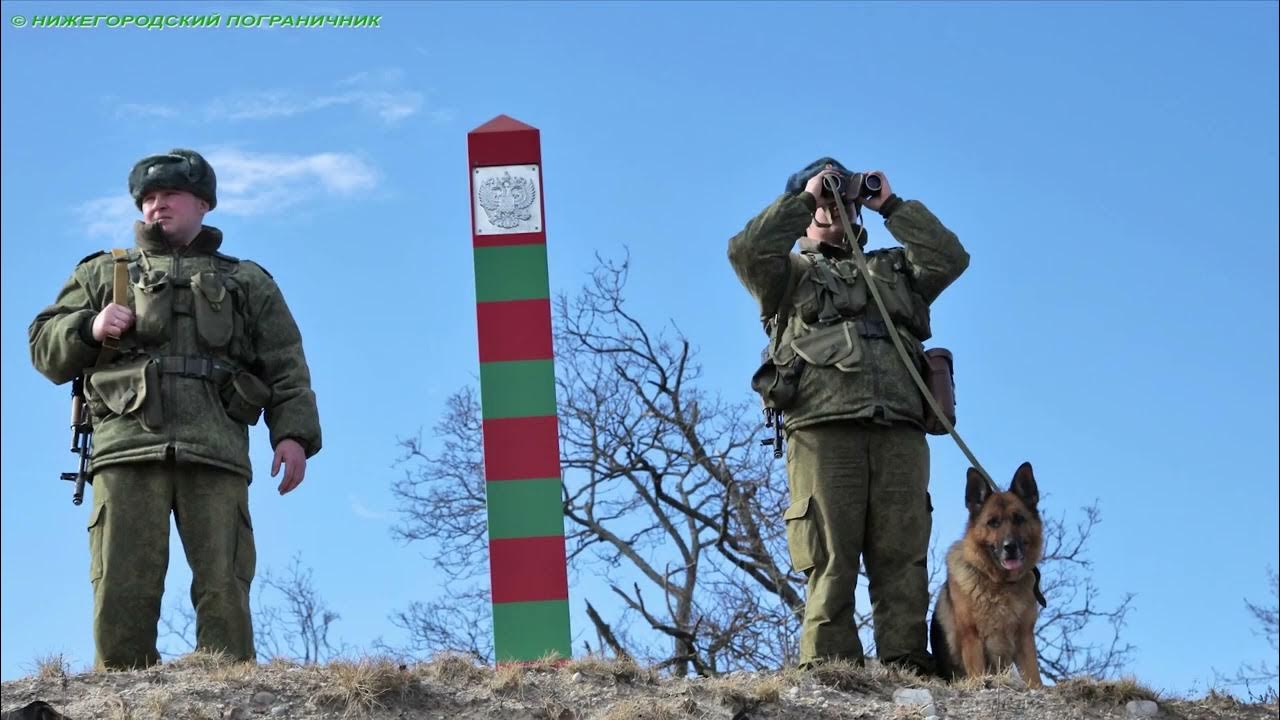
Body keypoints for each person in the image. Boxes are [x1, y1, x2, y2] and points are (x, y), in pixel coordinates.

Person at [28, 149, 323, 670]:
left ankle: (227, 685)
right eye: (148, 198)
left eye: (170, 195)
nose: (157, 205)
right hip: (126, 447)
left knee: (224, 582)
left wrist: (293, 435)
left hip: (216, 449)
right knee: (121, 580)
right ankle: (120, 691)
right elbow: (44, 346)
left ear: (203, 203)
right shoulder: (103, 273)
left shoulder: (246, 281)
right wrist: (91, 328)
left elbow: (285, 363)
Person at [727, 157, 969, 674]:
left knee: (903, 552)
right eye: (825, 197)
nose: (835, 206)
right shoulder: (787, 273)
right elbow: (746, 250)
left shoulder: (897, 269)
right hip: (822, 426)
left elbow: (949, 258)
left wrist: (891, 205)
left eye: (843, 195)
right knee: (829, 553)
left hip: (900, 424)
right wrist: (803, 199)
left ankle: (906, 662)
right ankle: (832, 668)